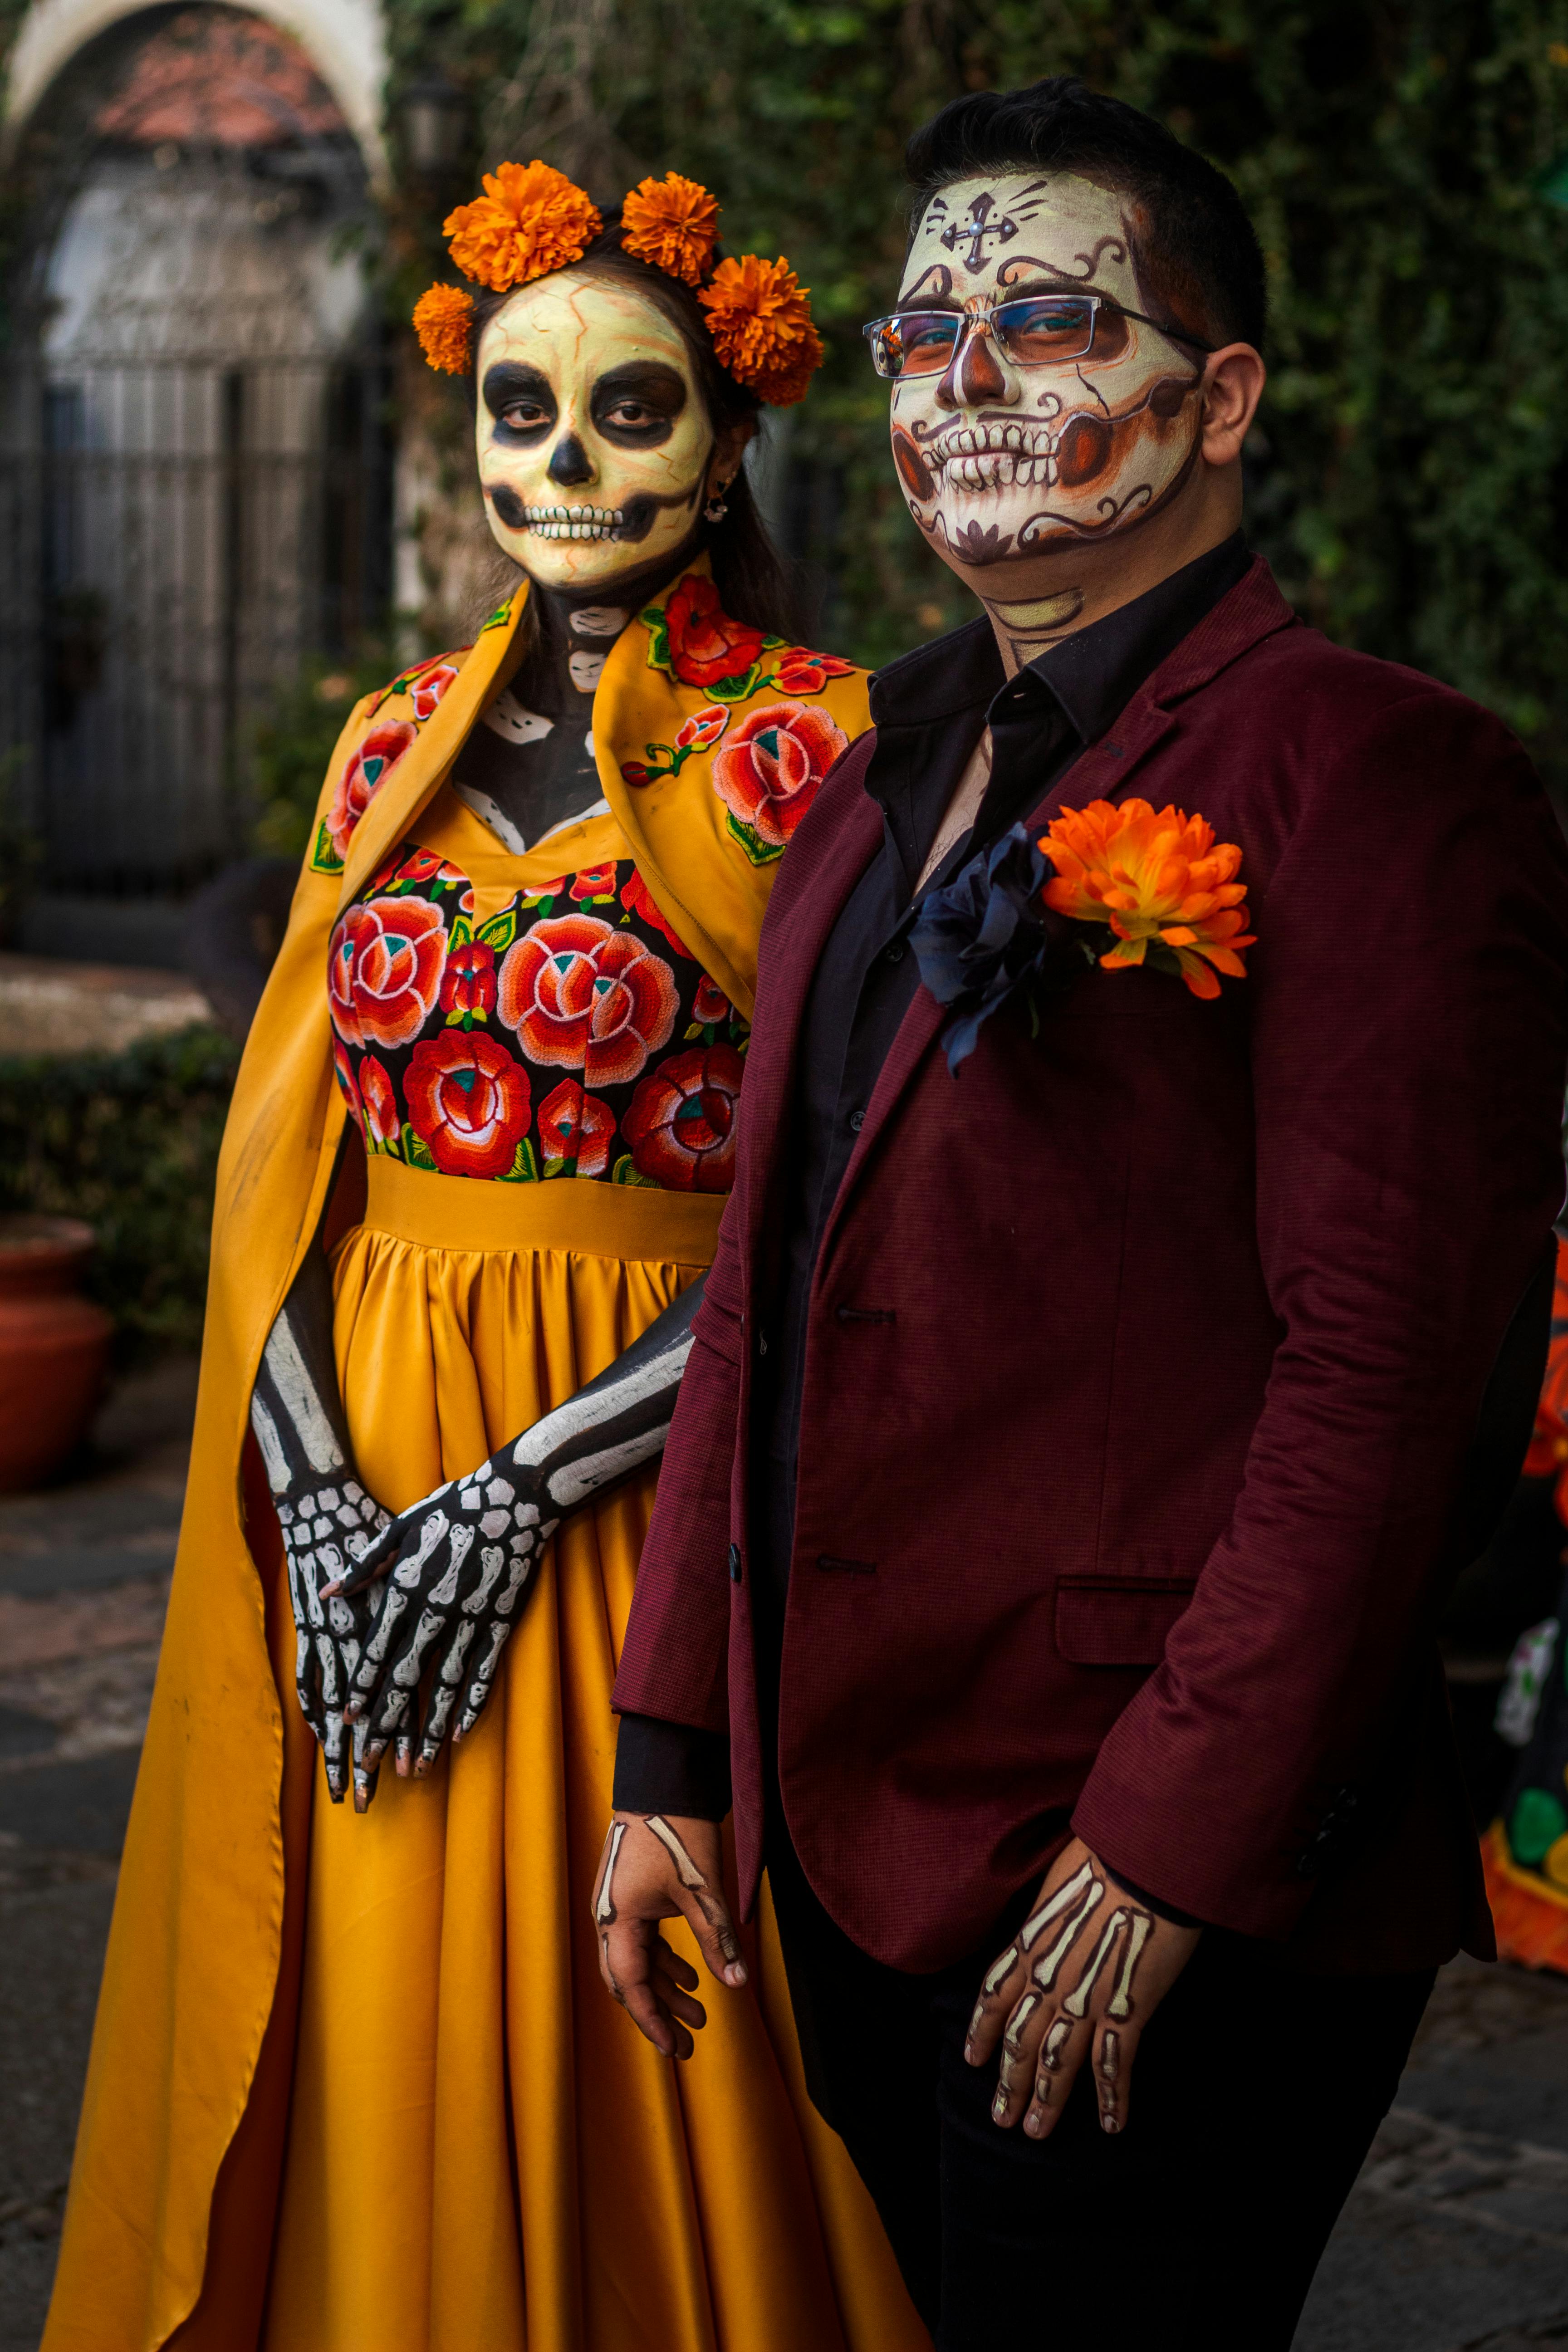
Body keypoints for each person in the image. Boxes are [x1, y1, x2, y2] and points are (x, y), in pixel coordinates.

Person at [599, 78, 1568, 2351]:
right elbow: (766, 1281)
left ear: (1218, 398)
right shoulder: (875, 770)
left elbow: (1394, 1379)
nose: (965, 385)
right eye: (921, 340)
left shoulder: (1380, 774)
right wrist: (675, 1758)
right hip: (840, 1836)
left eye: (1044, 323)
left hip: (1143, 1859)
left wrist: (1169, 1840)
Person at [44, 162, 926, 2352]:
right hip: (365, 1492)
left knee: (665, 2017)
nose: (567, 459)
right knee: (366, 1976)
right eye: (521, 411)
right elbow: (288, 1166)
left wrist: (516, 1496)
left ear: (729, 439)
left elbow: (844, 1204)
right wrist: (334, 1505)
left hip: (650, 1486)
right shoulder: (385, 744)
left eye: (630, 409)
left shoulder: (824, 752)